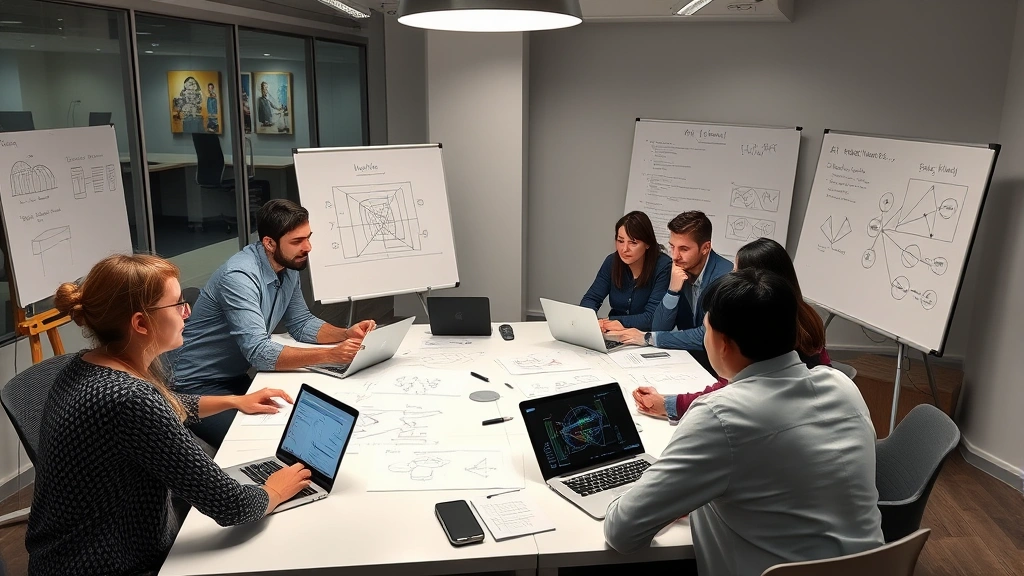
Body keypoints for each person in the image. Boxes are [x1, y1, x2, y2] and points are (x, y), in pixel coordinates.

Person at [26, 254, 313, 575]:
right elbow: (233, 507)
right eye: (177, 304)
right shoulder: (130, 398)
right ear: (141, 323)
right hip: (110, 565)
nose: (187, 312)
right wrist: (275, 488)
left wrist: (235, 401)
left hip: (59, 557)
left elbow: (168, 405)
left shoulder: (84, 365)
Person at [604, 269, 884, 575]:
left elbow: (622, 532)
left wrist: (667, 492)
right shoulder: (842, 387)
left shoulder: (719, 416)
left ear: (723, 343)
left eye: (706, 328)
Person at [172, 199, 375, 447]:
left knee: (295, 428)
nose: (308, 247)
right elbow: (259, 353)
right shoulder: (239, 277)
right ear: (269, 243)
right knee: (259, 444)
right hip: (194, 387)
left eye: (308, 237)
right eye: (297, 241)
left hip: (234, 377)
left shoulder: (288, 266)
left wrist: (345, 334)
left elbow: (301, 323)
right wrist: (331, 355)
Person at [633, 237, 832, 421]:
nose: (731, 277)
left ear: (757, 284)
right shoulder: (806, 316)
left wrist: (669, 404)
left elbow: (727, 391)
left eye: (736, 272)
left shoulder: (758, 328)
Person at [606, 211, 731, 365]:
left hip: (720, 367)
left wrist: (647, 338)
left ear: (705, 248)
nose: (675, 256)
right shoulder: (678, 269)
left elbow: (707, 336)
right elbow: (660, 327)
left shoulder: (725, 278)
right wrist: (672, 290)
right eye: (672, 247)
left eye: (684, 249)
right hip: (690, 361)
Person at [580, 211, 671, 332]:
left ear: (647, 243)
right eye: (620, 241)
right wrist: (594, 322)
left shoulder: (663, 266)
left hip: (645, 337)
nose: (624, 249)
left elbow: (651, 318)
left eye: (633, 243)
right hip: (613, 332)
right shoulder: (612, 261)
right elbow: (591, 299)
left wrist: (613, 321)